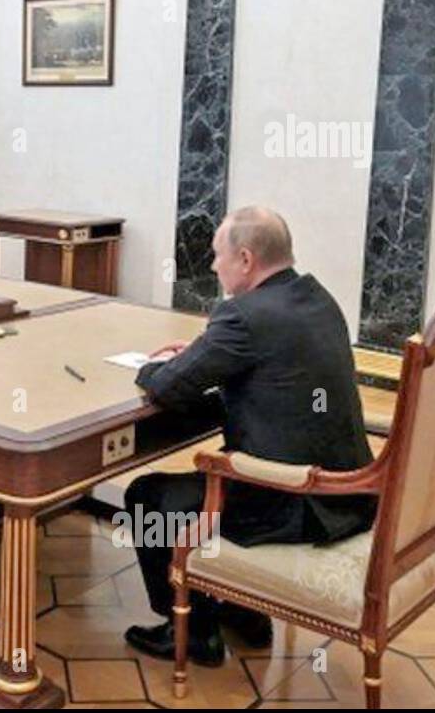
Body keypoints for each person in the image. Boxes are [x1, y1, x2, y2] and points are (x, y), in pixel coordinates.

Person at [124, 206, 376, 666]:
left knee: (147, 497)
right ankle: (244, 613)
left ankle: (191, 630)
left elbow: (167, 386)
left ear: (245, 258)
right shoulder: (317, 298)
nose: (212, 265)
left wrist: (160, 364)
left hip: (295, 500)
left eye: (217, 256)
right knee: (213, 475)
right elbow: (275, 365)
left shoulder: (242, 315)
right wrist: (206, 351)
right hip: (353, 495)